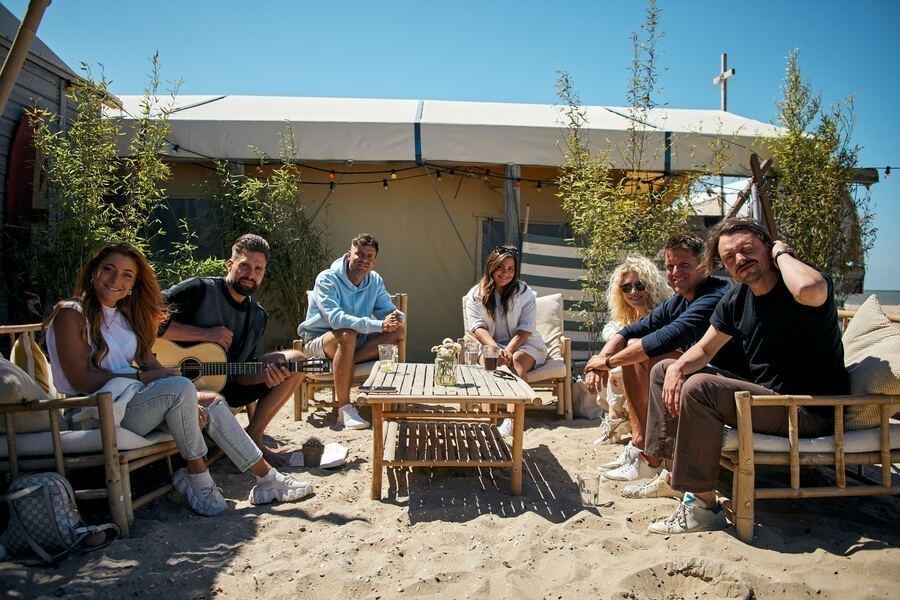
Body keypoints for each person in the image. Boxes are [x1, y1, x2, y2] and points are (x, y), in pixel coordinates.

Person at [45, 242, 313, 517]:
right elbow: (79, 379)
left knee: (209, 400)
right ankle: (198, 475)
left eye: (127, 274)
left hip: (131, 402)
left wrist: (180, 392)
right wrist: (148, 377)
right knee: (181, 387)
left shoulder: (125, 316)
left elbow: (151, 363)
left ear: (134, 283)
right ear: (93, 272)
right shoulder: (71, 314)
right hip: (95, 410)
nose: (116, 280)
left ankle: (267, 479)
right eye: (108, 270)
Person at [635, 218, 846, 534]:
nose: (740, 259)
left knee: (701, 386)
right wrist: (677, 368)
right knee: (664, 370)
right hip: (766, 400)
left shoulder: (801, 284)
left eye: (747, 249)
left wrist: (783, 254)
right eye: (730, 257)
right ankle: (673, 474)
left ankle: (703, 507)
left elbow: (808, 290)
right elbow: (705, 349)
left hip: (808, 408)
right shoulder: (736, 299)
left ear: (768, 248)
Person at [584, 231, 743, 482]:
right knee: (634, 347)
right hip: (707, 379)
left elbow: (663, 339)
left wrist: (606, 363)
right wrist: (600, 360)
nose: (676, 272)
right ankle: (640, 445)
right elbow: (630, 331)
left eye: (684, 265)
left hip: (730, 384)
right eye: (670, 266)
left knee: (650, 356)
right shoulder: (681, 300)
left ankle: (653, 456)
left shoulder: (715, 296)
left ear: (704, 265)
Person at [160, 234, 304, 467]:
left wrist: (266, 376)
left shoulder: (257, 316)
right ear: (230, 264)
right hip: (171, 382)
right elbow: (145, 318)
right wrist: (204, 334)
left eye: (258, 269)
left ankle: (253, 437)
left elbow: (238, 374)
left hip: (224, 386)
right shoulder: (199, 290)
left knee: (296, 362)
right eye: (244, 266)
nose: (250, 274)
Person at [298, 233, 405, 431]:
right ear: (349, 255)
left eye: (369, 256)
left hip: (355, 343)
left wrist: (396, 318)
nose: (364, 259)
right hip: (321, 342)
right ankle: (345, 410)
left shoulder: (374, 280)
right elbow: (336, 320)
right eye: (360, 254)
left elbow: (387, 311)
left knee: (398, 333)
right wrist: (379, 325)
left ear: (374, 261)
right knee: (347, 334)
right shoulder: (327, 278)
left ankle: (346, 362)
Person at [464, 245, 548, 437]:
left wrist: (508, 350)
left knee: (516, 360)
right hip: (490, 343)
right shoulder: (475, 295)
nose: (506, 273)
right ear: (491, 267)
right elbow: (477, 327)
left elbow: (526, 329)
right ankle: (488, 419)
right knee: (489, 361)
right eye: (501, 268)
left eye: (511, 269)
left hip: (525, 344)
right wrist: (494, 348)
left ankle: (511, 420)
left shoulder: (524, 293)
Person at [593, 255, 671, 445]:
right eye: (626, 287)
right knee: (613, 365)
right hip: (642, 368)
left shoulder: (663, 311)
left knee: (619, 365)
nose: (633, 292)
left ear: (651, 286)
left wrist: (612, 365)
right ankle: (618, 421)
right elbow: (611, 329)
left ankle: (617, 421)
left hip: (660, 368)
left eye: (640, 285)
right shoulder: (629, 314)